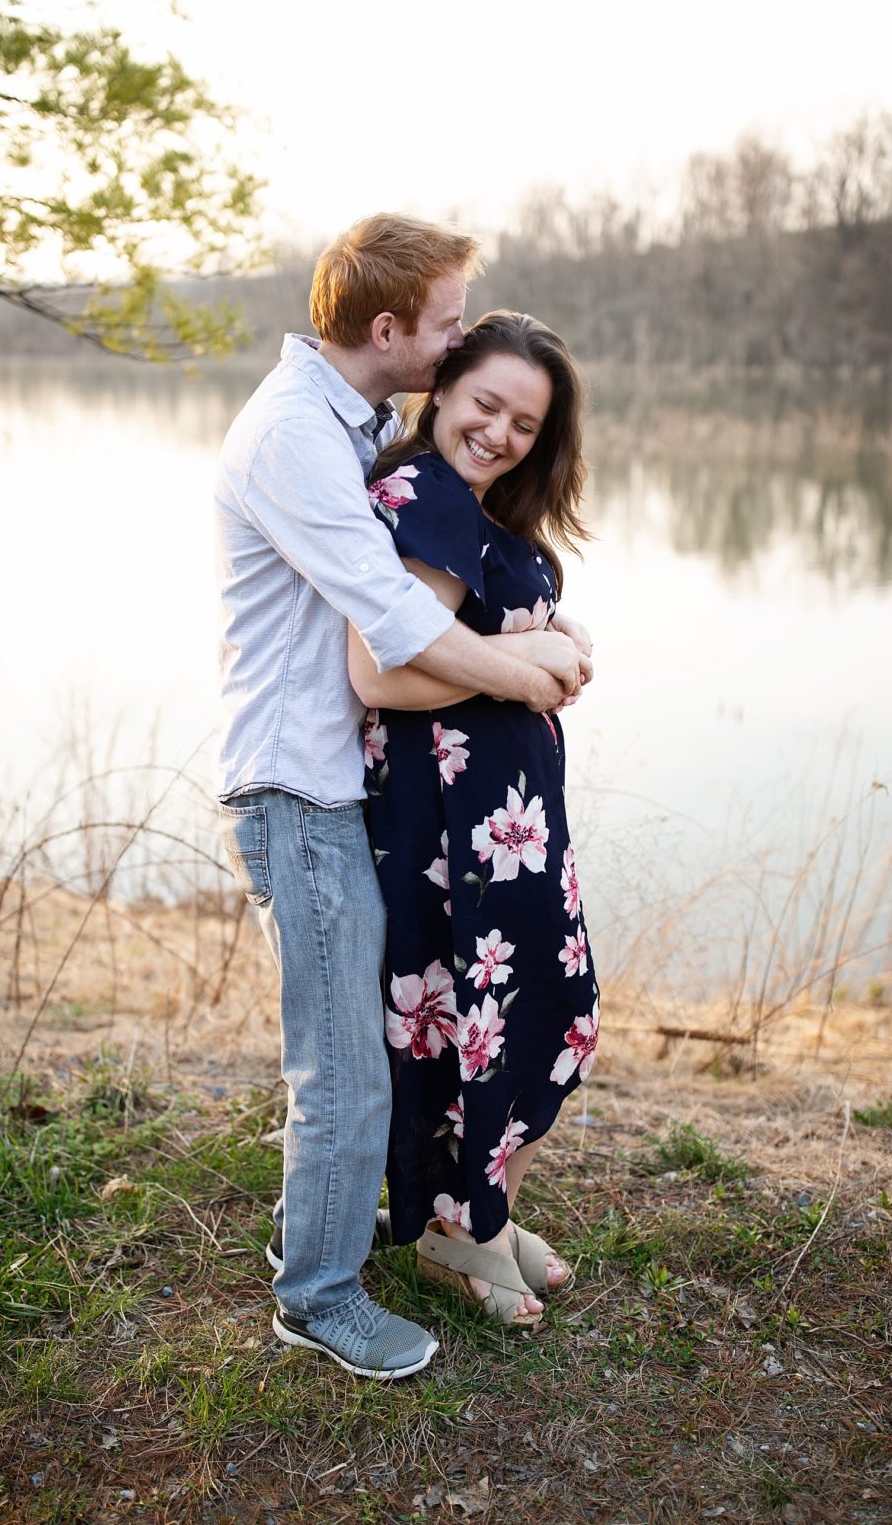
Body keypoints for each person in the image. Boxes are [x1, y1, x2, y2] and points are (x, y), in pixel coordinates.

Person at [214, 218, 589, 1379]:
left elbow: (438, 604)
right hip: (296, 781)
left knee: (366, 1044)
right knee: (341, 1062)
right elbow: (390, 636)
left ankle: (356, 1229)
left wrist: (548, 636)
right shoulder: (295, 438)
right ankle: (317, 1297)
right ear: (390, 331)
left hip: (343, 785)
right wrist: (531, 669)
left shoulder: (355, 423)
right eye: (444, 323)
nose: (454, 337)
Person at [348, 310, 599, 1327]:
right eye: (484, 403)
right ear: (442, 389)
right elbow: (381, 674)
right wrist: (525, 674)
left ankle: (483, 1215)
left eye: (523, 423)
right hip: (450, 831)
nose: (497, 432)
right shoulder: (421, 500)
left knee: (544, 1009)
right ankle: (462, 1232)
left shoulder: (478, 509)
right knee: (489, 1025)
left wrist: (556, 631)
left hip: (509, 827)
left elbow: (479, 625)